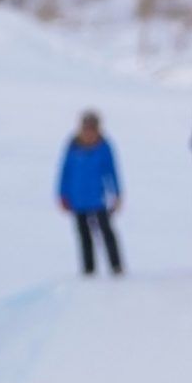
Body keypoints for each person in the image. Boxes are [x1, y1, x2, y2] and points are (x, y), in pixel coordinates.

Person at [56, 111, 123, 276]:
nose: (89, 133)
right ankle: (88, 270)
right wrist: (62, 194)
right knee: (84, 236)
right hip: (77, 199)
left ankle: (116, 267)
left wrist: (117, 194)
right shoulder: (72, 146)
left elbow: (111, 171)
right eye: (86, 128)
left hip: (99, 199)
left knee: (107, 233)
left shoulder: (104, 147)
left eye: (92, 129)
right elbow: (65, 171)